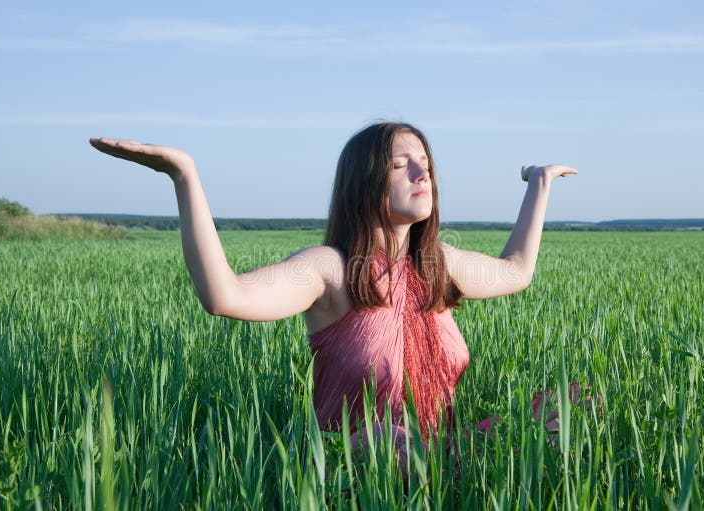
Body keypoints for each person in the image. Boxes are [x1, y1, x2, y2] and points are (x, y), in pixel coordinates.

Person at [89, 122, 578, 455]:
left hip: (444, 457)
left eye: (424, 162)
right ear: (364, 182)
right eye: (400, 164)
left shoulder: (437, 267)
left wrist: (539, 183)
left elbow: (516, 271)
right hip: (360, 466)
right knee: (395, 443)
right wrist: (184, 175)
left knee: (571, 404)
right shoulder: (331, 271)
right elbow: (226, 296)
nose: (421, 171)